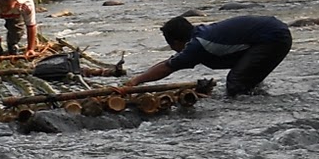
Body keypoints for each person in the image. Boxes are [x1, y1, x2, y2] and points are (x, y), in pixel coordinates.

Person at [122, 13, 292, 97]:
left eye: (172, 47)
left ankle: (252, 107)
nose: (174, 51)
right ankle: (258, 101)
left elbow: (167, 67)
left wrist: (135, 81)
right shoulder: (202, 35)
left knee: (235, 84)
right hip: (272, 33)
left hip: (273, 37)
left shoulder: (198, 44)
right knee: (245, 81)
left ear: (176, 42)